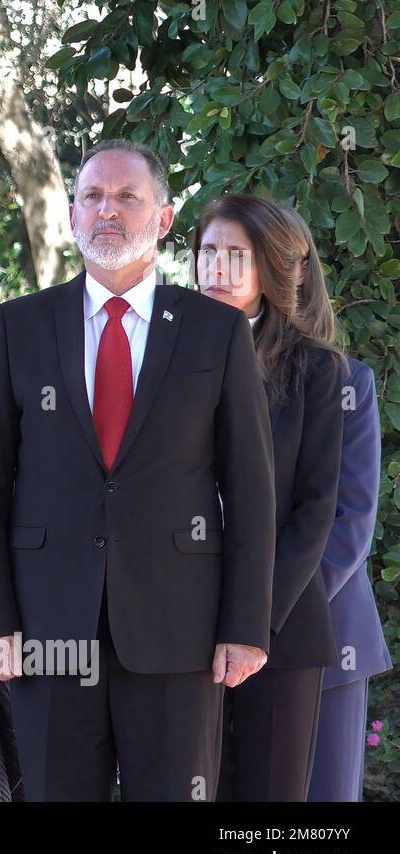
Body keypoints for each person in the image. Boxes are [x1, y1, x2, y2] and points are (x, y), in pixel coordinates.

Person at [0, 139, 277, 801]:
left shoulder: (214, 333)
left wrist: (244, 627)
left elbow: (250, 490)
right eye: (93, 197)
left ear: (162, 219)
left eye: (128, 197)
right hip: (46, 629)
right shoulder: (19, 325)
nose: (108, 211)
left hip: (178, 627)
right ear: (72, 216)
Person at [194, 195, 345, 801]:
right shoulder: (165, 355)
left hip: (279, 626)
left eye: (238, 256)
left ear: (274, 270)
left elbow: (315, 511)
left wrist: (252, 624)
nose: (218, 272)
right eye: (208, 254)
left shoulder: (315, 370)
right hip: (177, 623)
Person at [309, 355, 392, 801]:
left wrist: (265, 616)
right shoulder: (197, 372)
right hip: (214, 643)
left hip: (328, 638)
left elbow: (352, 523)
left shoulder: (348, 381)